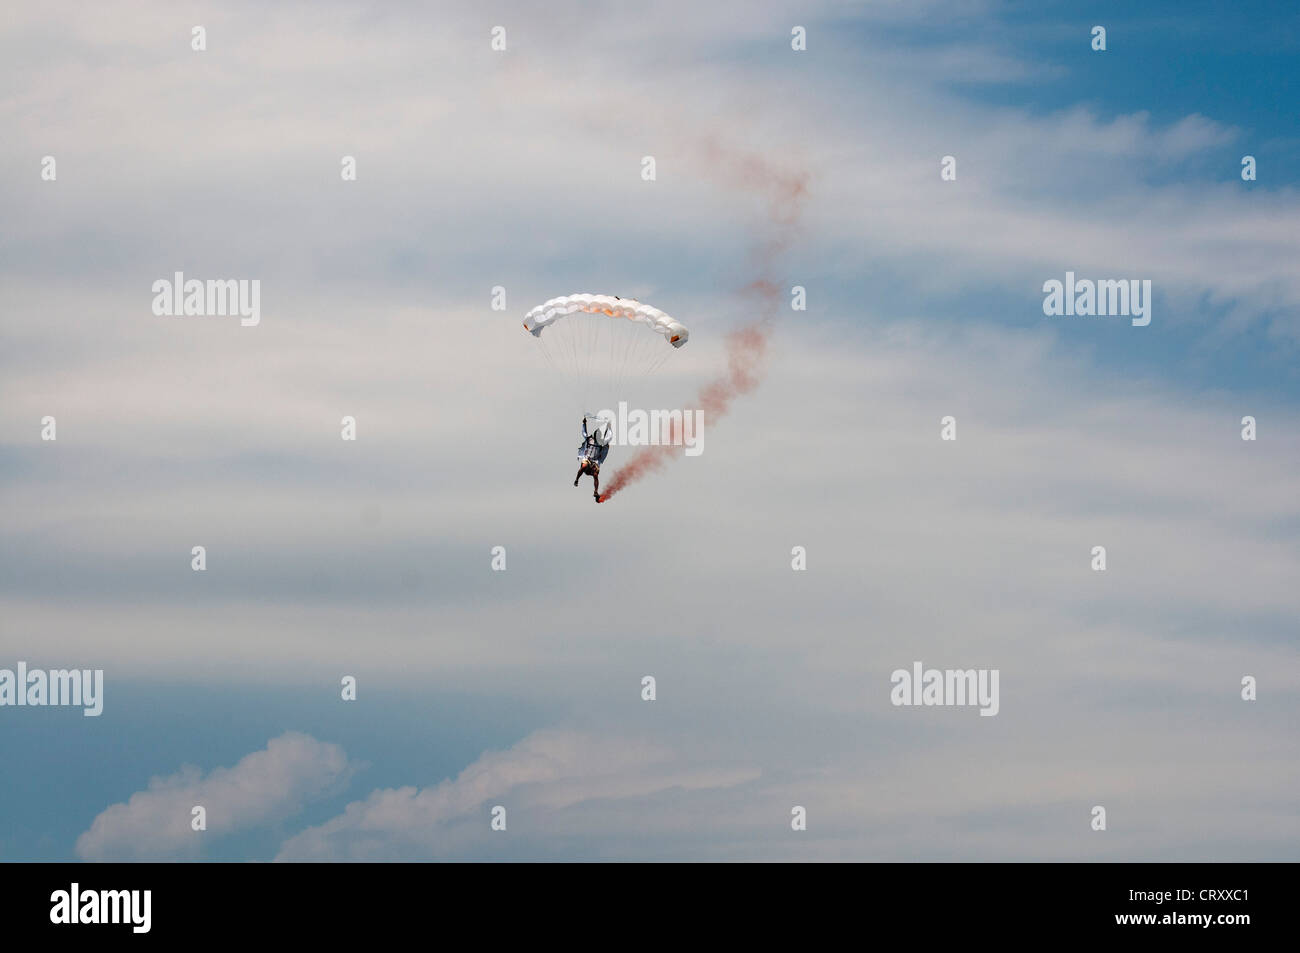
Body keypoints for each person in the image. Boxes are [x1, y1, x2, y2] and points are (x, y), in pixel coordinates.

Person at [574, 416, 610, 502]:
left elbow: (607, 438)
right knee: (583, 466)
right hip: (587, 459)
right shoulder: (589, 439)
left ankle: (596, 492)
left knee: (596, 475)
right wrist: (584, 423)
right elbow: (584, 433)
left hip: (594, 462)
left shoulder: (601, 442)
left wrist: (608, 428)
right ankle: (576, 480)